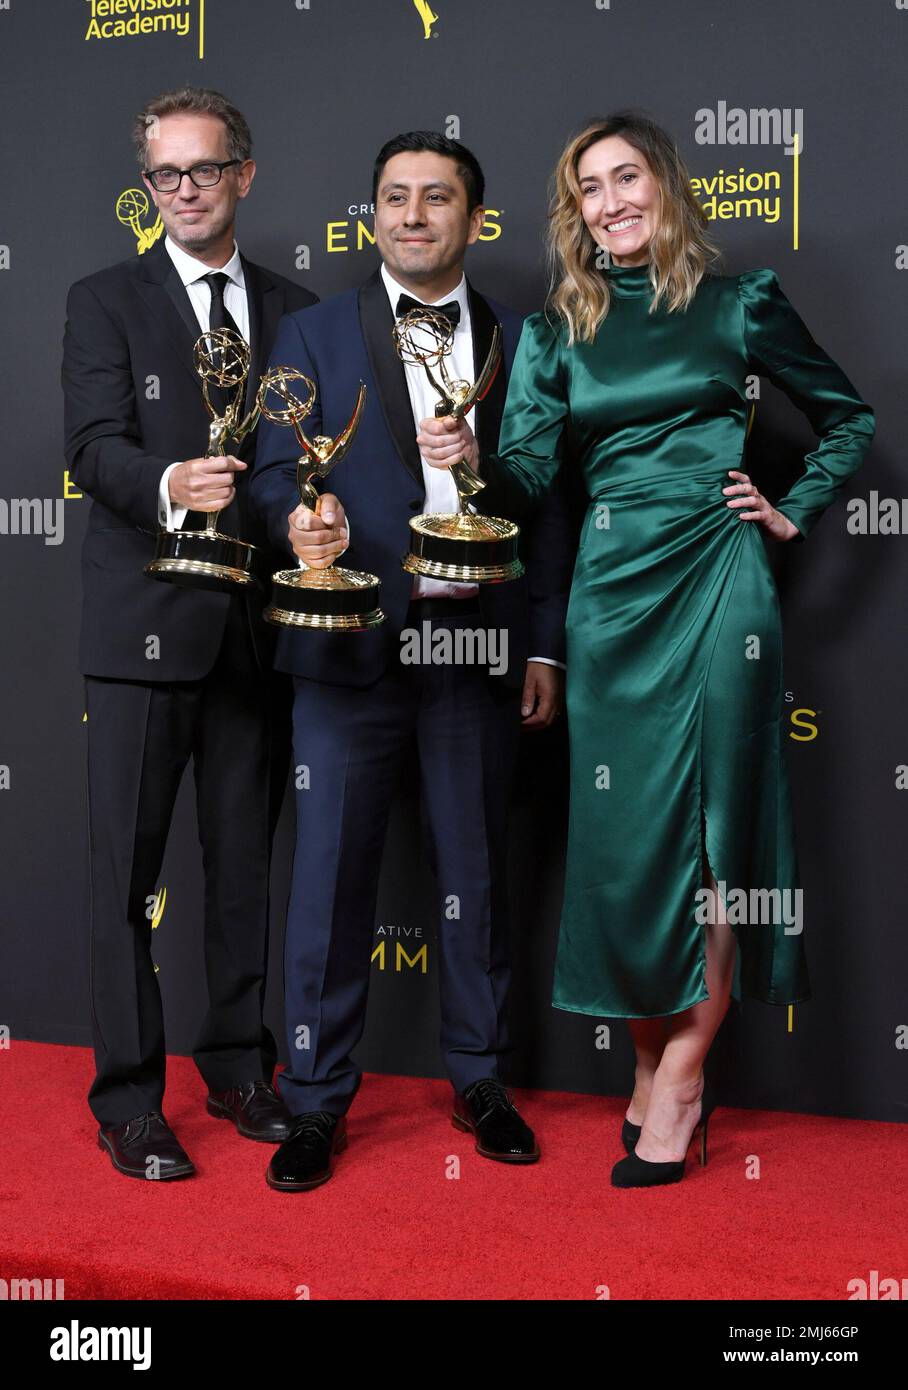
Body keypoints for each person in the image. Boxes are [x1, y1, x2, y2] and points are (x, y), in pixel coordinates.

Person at [419, 111, 875, 1188]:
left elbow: (845, 418)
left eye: (627, 178)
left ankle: (681, 1072)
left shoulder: (737, 303)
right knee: (629, 846)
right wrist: (468, 466)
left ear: (664, 187)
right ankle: (645, 1053)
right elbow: (529, 481)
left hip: (720, 580)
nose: (612, 201)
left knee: (716, 836)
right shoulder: (551, 332)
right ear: (572, 210)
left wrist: (789, 503)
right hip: (609, 599)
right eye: (589, 187)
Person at [250, 131, 575, 1191]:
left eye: (436, 199)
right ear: (372, 214)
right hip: (345, 643)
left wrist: (543, 644)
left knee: (475, 875)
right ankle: (311, 1102)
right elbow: (264, 477)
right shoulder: (306, 333)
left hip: (474, 650)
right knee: (327, 878)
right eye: (393, 197)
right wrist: (297, 525)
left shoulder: (527, 342)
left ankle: (480, 1079)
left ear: (472, 220)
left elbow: (552, 504)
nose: (412, 215)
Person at [62, 86, 317, 1180]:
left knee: (242, 873)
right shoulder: (101, 298)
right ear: (147, 186)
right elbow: (92, 447)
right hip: (141, 633)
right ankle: (128, 1099)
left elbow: (305, 460)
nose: (183, 191)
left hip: (256, 634)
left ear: (243, 175)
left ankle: (238, 1066)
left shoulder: (297, 307)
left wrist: (312, 513)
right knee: (126, 876)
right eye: (164, 175)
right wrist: (170, 480)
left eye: (204, 170)